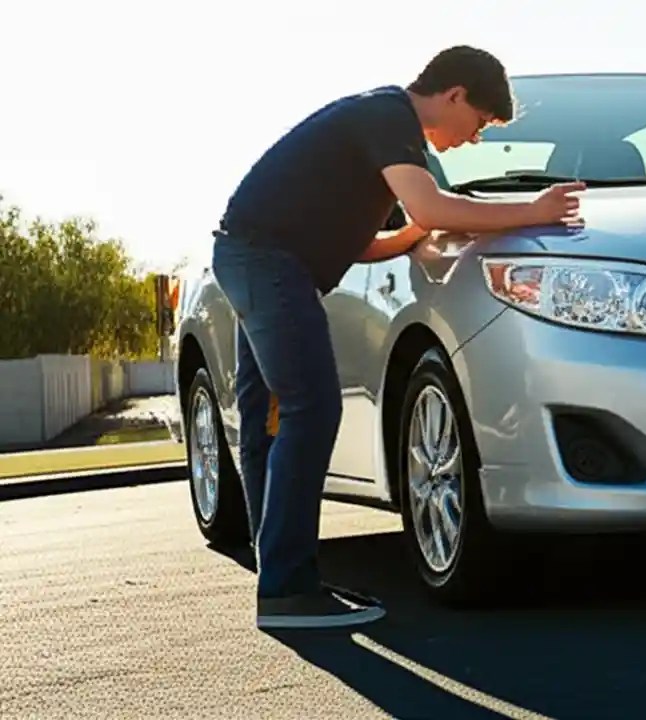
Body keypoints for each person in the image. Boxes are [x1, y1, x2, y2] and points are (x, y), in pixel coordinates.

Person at [211, 45, 584, 630]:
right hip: (267, 261)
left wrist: (410, 237)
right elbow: (432, 206)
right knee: (311, 410)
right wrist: (532, 213)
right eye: (481, 122)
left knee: (269, 421)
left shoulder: (379, 129)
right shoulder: (390, 117)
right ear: (455, 94)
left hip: (256, 257)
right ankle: (287, 588)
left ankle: (281, 578)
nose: (476, 137)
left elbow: (363, 244)